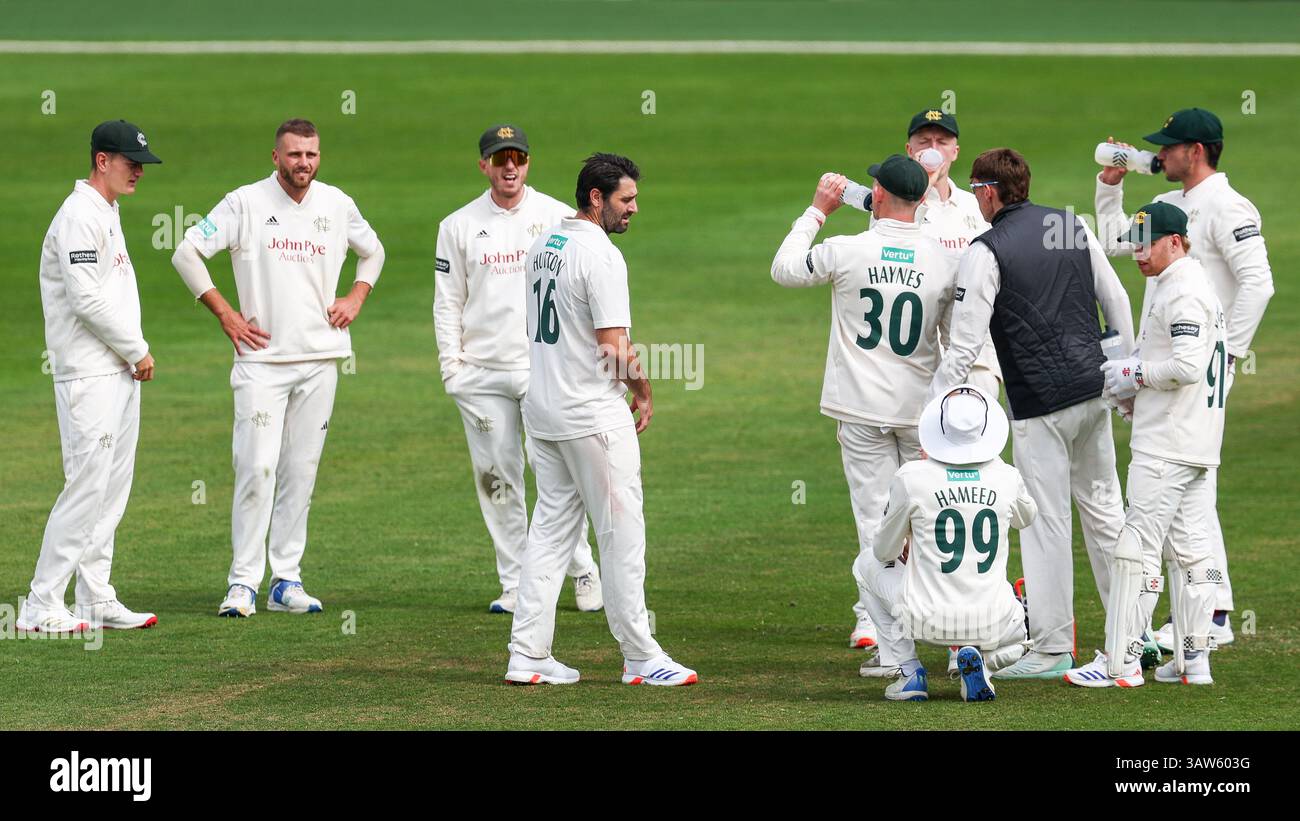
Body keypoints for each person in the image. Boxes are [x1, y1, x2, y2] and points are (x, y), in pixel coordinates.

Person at [929, 148, 1135, 680]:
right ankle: (1130, 636)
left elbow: (965, 348)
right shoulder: (1069, 225)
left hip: (1040, 406)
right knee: (1107, 513)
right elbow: (1117, 304)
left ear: (990, 192)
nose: (975, 198)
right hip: (1094, 392)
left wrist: (934, 413)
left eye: (976, 189)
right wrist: (1119, 377)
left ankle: (1050, 647)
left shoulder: (986, 249)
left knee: (1046, 524)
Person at [170, 118, 385, 617]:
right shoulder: (244, 202)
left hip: (320, 359)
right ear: (275, 157)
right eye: (293, 155)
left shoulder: (337, 203)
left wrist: (356, 295)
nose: (303, 164)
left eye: (310, 154)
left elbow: (373, 252)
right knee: (256, 466)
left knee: (300, 470)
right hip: (261, 361)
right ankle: (242, 582)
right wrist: (225, 314)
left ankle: (285, 579)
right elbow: (187, 254)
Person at [504, 153, 696, 686]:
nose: (634, 209)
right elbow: (613, 346)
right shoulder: (602, 256)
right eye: (625, 200)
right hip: (590, 414)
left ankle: (528, 654)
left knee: (549, 532)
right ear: (596, 198)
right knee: (622, 533)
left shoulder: (543, 243)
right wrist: (643, 390)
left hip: (542, 410)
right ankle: (639, 654)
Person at [1094, 108, 1273, 649]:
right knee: (1192, 495)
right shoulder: (1169, 206)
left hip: (1194, 368)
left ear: (1195, 151)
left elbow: (1258, 285)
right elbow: (1113, 242)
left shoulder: (1228, 206)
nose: (1160, 155)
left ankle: (1209, 620)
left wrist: (1228, 354)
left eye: (1169, 148)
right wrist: (1109, 187)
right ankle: (1206, 620)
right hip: (1170, 367)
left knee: (1185, 491)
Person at [770, 154, 959, 653]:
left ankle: (888, 642)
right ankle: (941, 626)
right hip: (922, 412)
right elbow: (953, 343)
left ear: (874, 196)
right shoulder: (943, 259)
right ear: (922, 200)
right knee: (929, 519)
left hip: (860, 410)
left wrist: (816, 210)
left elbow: (784, 269)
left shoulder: (846, 248)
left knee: (876, 525)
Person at [434, 124, 602, 615]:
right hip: (481, 373)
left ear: (528, 163)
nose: (510, 167)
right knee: (496, 477)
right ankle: (513, 582)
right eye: (499, 158)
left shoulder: (555, 216)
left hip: (541, 368)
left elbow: (580, 288)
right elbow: (448, 302)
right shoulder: (458, 225)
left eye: (518, 158)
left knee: (555, 471)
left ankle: (582, 567)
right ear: (483, 165)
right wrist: (452, 369)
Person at [1066, 202, 1226, 688]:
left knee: (1136, 550)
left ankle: (1122, 662)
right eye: (1134, 240)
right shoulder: (1188, 286)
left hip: (1166, 449)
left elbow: (1186, 368)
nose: (1137, 252)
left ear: (1174, 242)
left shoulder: (1183, 293)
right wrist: (1139, 397)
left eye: (1147, 242)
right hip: (1197, 445)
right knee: (1194, 554)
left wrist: (1135, 374)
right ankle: (1193, 660)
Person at [18, 120, 162, 633]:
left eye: (141, 163)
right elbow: (85, 299)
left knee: (111, 488)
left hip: (116, 370)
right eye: (130, 162)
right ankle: (41, 603)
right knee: (85, 486)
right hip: (90, 372)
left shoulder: (106, 210)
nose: (138, 171)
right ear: (102, 160)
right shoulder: (80, 215)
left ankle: (95, 595)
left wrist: (129, 355)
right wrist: (138, 348)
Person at [857, 384, 1037, 701]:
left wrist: (911, 540)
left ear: (939, 429)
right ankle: (985, 664)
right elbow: (1027, 518)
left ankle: (911, 672)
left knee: (864, 566)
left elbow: (883, 551)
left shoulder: (911, 477)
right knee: (1020, 640)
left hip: (925, 621)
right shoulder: (1006, 476)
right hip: (993, 620)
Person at [904, 108, 1001, 398]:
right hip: (917, 358)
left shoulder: (977, 206)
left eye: (942, 142)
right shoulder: (895, 209)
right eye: (924, 141)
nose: (933, 149)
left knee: (977, 438)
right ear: (910, 150)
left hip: (977, 356)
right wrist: (923, 190)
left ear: (955, 151)